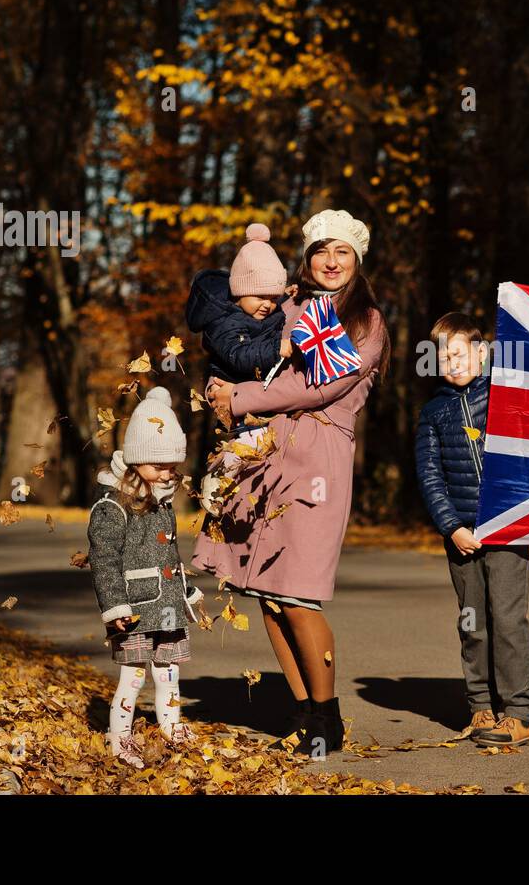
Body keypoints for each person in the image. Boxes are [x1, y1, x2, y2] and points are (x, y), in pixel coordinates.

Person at [193, 208, 390, 757]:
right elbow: (242, 346)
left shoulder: (366, 321)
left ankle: (329, 717)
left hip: (318, 461)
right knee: (268, 594)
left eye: (342, 252)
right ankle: (302, 712)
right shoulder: (288, 307)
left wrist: (243, 398)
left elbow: (317, 387)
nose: (330, 261)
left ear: (356, 261)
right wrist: (223, 383)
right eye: (321, 251)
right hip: (264, 456)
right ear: (306, 259)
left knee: (299, 595)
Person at [415, 313, 529, 747]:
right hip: (462, 537)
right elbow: (430, 477)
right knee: (473, 623)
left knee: (507, 619)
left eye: (460, 353)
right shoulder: (434, 412)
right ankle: (481, 707)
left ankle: (521, 714)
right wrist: (452, 528)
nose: (452, 363)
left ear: (482, 352)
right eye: (443, 357)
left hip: (507, 531)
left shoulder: (508, 398)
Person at [89, 386, 205, 768]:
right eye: (159, 467)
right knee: (133, 676)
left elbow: (169, 554)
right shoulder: (112, 507)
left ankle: (171, 725)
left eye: (173, 467)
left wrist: (185, 591)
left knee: (169, 672)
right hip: (135, 610)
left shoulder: (163, 500)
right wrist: (114, 606)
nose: (167, 474)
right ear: (137, 460)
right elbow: (104, 559)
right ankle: (120, 737)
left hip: (167, 608)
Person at [185, 222, 296, 514]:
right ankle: (219, 477)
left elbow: (270, 301)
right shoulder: (223, 323)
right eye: (261, 297)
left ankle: (238, 488)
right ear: (239, 291)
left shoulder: (258, 307)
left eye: (274, 298)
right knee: (252, 442)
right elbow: (239, 356)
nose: (268, 305)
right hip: (229, 386)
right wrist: (277, 349)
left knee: (262, 445)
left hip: (251, 391)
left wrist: (288, 295)